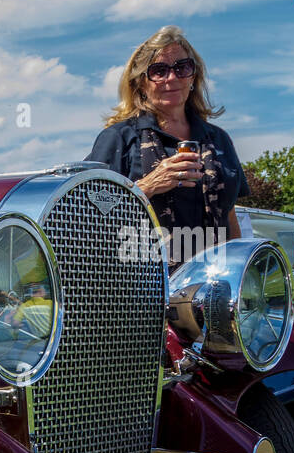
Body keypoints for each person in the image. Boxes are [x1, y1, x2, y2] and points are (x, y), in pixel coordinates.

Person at [86, 26, 247, 270]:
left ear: (193, 77)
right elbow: (88, 214)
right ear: (140, 83)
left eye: (181, 68)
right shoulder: (119, 138)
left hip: (212, 286)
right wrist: (148, 185)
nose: (171, 78)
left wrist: (238, 274)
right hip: (144, 288)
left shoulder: (218, 140)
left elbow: (230, 215)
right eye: (158, 71)